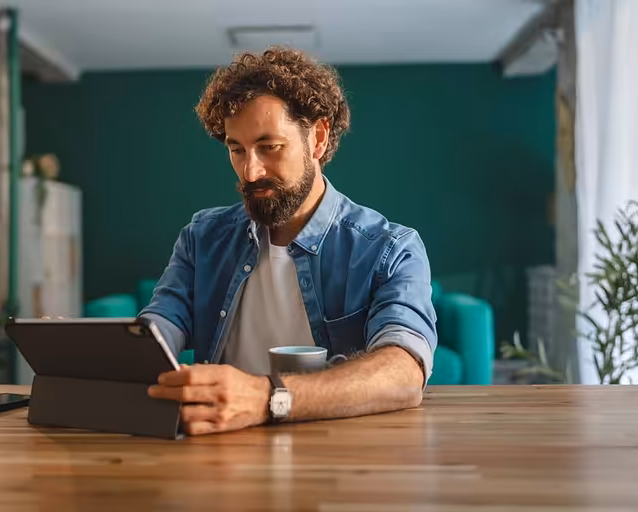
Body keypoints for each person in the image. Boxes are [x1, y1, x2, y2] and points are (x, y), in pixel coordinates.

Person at [141, 46, 436, 436]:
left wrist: (267, 398)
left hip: (342, 462)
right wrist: (96, 354)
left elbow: (402, 372)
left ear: (317, 137)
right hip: (218, 457)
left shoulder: (390, 249)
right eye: (236, 149)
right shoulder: (202, 238)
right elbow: (159, 328)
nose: (250, 171)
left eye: (270, 147)